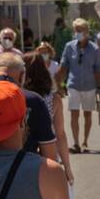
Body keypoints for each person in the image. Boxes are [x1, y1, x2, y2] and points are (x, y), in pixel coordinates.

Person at [24, 52, 74, 189]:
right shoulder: (54, 99)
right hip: (48, 157)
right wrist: (67, 167)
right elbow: (60, 135)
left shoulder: (16, 97)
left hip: (22, 157)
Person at [59, 18, 100, 153]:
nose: (78, 33)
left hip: (89, 86)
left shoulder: (94, 49)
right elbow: (63, 66)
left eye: (81, 30)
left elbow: (98, 69)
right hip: (73, 84)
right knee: (74, 114)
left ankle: (85, 141)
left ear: (87, 31)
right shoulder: (69, 46)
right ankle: (76, 143)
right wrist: (59, 84)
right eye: (76, 30)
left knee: (88, 114)